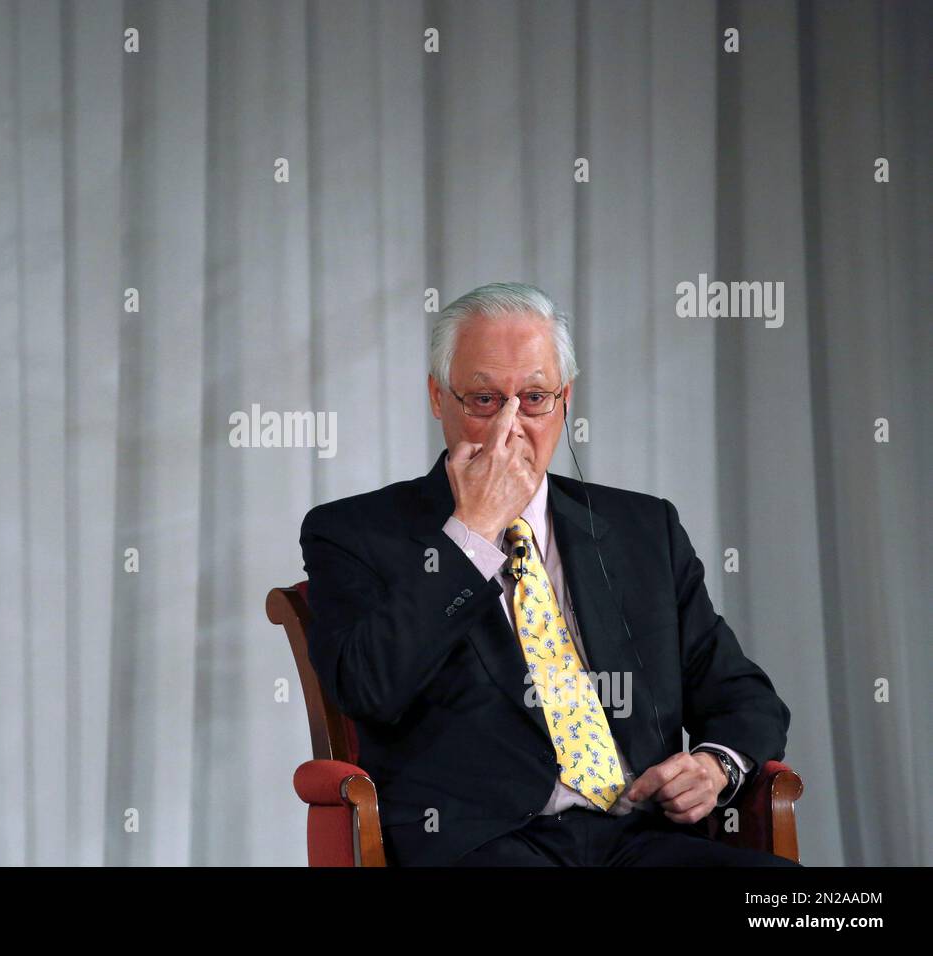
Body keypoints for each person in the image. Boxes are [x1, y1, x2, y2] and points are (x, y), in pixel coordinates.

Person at [299, 282, 799, 867]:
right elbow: (368, 688)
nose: (510, 427)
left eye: (534, 398)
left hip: (642, 841)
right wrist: (474, 531)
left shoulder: (643, 528)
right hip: (479, 847)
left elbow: (741, 694)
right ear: (439, 397)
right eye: (484, 399)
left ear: (565, 400)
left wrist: (715, 765)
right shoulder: (354, 533)